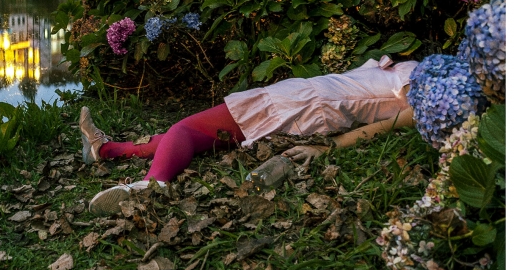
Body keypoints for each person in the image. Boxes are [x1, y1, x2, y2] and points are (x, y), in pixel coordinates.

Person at [80, 55, 419, 215]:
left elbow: (406, 117)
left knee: (185, 129)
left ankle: (151, 185)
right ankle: (106, 149)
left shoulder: (430, 82)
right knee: (192, 135)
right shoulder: (434, 75)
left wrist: (332, 146)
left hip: (301, 105)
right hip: (304, 101)